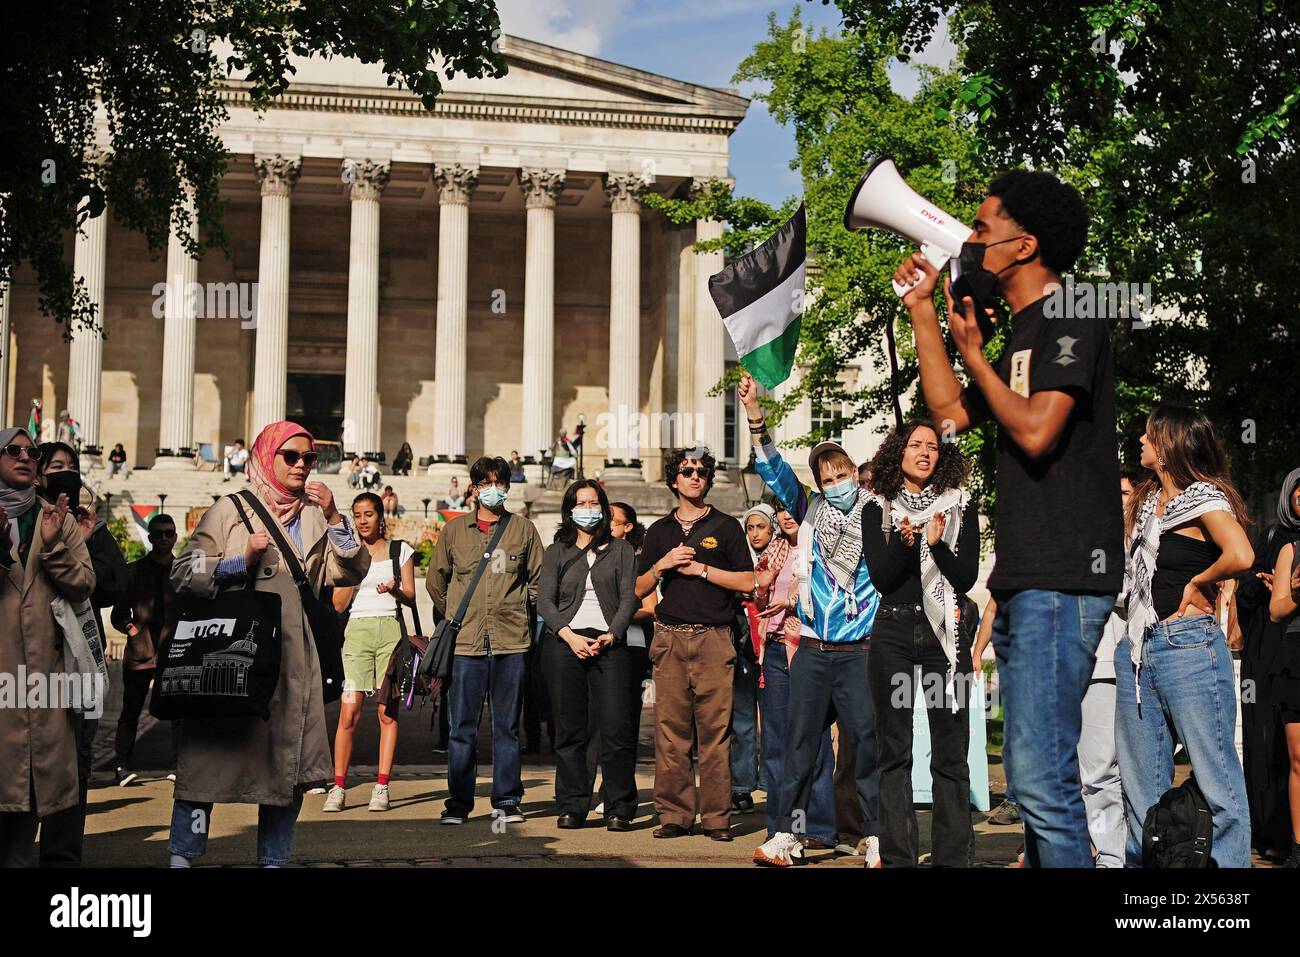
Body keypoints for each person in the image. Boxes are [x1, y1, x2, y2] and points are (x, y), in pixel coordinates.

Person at [899, 169, 1122, 867]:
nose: (968, 237)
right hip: (1030, 578)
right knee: (1037, 780)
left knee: (1039, 780)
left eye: (983, 225)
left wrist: (973, 353)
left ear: (1024, 245)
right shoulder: (1024, 327)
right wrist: (923, 311)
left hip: (1064, 573)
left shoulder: (1073, 313)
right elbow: (950, 413)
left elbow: (1032, 431)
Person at [167, 421, 370, 867]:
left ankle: (273, 861)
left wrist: (337, 518)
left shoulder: (317, 515)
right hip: (233, 658)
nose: (301, 466)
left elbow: (351, 572)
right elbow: (184, 570)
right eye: (291, 456)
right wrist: (239, 561)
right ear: (265, 457)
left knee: (286, 771)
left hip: (292, 665)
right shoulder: (230, 508)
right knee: (208, 763)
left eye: (309, 459)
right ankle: (183, 857)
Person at [739, 374, 882, 868]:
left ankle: (875, 835)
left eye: (842, 472)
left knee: (865, 746)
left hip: (860, 649)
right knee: (799, 746)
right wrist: (757, 417)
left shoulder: (878, 513)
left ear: (851, 472)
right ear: (819, 484)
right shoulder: (812, 512)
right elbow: (776, 472)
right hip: (815, 649)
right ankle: (789, 836)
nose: (836, 482)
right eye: (827, 477)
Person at [1114, 405, 1254, 867]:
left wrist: (1199, 582)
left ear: (1170, 444)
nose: (1141, 440)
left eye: (1149, 435)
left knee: (1215, 776)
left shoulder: (1204, 499)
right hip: (1137, 650)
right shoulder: (1146, 504)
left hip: (1188, 645)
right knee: (1140, 785)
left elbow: (1240, 554)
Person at [859, 420, 979, 867]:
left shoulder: (960, 506)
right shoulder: (878, 507)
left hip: (946, 637)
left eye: (933, 445)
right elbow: (882, 578)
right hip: (893, 632)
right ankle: (898, 858)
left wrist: (936, 546)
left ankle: (952, 858)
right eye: (916, 445)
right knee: (894, 753)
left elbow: (966, 577)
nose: (925, 452)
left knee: (951, 755)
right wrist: (907, 547)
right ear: (899, 453)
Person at [635, 447, 755, 841]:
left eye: (702, 471)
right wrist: (662, 565)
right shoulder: (658, 532)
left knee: (715, 733)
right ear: (674, 480)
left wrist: (703, 569)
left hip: (714, 638)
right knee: (670, 732)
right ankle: (675, 814)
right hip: (669, 637)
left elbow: (747, 582)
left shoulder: (727, 527)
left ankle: (717, 818)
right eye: (687, 471)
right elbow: (637, 589)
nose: (695, 476)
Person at [427, 455, 544, 825]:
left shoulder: (523, 530)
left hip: (511, 642)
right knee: (462, 728)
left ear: (507, 487)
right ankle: (458, 803)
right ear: (474, 489)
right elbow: (436, 582)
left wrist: (517, 611)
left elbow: (537, 583)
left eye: (500, 483)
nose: (493, 489)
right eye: (486, 483)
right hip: (466, 644)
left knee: (507, 726)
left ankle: (507, 800)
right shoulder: (454, 531)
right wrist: (459, 614)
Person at [0, 428, 93, 867]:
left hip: (47, 682)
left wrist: (54, 547)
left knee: (40, 793)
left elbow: (85, 585)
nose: (25, 457)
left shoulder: (56, 518)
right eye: (13, 450)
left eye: (31, 451)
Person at [36, 441, 127, 866]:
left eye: (72, 467)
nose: (66, 473)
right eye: (56, 466)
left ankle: (62, 855)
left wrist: (86, 539)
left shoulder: (89, 527)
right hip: (32, 662)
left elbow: (113, 585)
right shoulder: (25, 519)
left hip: (79, 663)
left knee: (77, 759)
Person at [537, 480, 639, 829]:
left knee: (616, 729)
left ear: (604, 507)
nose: (587, 508)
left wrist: (613, 633)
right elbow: (545, 602)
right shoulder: (557, 551)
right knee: (570, 729)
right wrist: (569, 636)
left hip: (610, 643)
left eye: (593, 502)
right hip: (565, 643)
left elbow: (629, 598)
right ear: (569, 510)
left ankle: (619, 807)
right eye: (580, 503)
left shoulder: (621, 551)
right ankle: (572, 804)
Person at [752, 502, 839, 853]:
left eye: (792, 508)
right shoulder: (772, 551)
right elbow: (759, 602)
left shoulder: (820, 546)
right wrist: (762, 589)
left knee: (812, 742)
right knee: (775, 743)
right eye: (780, 510)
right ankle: (780, 827)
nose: (787, 516)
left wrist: (791, 603)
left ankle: (815, 827)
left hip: (808, 648)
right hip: (773, 649)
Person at [324, 493, 416, 813]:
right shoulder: (347, 555)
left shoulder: (399, 550)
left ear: (381, 517)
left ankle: (381, 786)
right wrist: (352, 568)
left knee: (386, 712)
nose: (363, 520)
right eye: (358, 515)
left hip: (389, 631)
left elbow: (410, 595)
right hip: (357, 633)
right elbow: (337, 605)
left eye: (369, 514)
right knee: (348, 712)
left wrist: (393, 589)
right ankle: (338, 787)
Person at [1237, 468, 1300, 862]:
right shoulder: (1279, 541)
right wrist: (1285, 587)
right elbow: (1266, 604)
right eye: (1299, 493)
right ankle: (1278, 834)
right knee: (1277, 748)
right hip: (1278, 656)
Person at [109, 513, 182, 786]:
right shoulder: (135, 571)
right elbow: (119, 614)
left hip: (172, 652)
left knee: (176, 712)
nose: (164, 538)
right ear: (150, 537)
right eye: (159, 533)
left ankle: (178, 765)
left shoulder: (181, 571)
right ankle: (122, 766)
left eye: (169, 532)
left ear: (175, 536)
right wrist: (134, 632)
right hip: (141, 653)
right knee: (131, 710)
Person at [1260, 479, 1300, 867]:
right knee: (1298, 758)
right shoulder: (1291, 548)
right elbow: (1276, 609)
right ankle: (1298, 848)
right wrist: (1297, 594)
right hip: (1295, 655)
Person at [732, 504, 776, 815]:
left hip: (774, 646)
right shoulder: (738, 563)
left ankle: (772, 784)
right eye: (750, 527)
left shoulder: (784, 559)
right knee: (743, 722)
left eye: (761, 527)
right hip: (744, 649)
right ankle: (740, 787)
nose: (756, 533)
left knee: (774, 723)